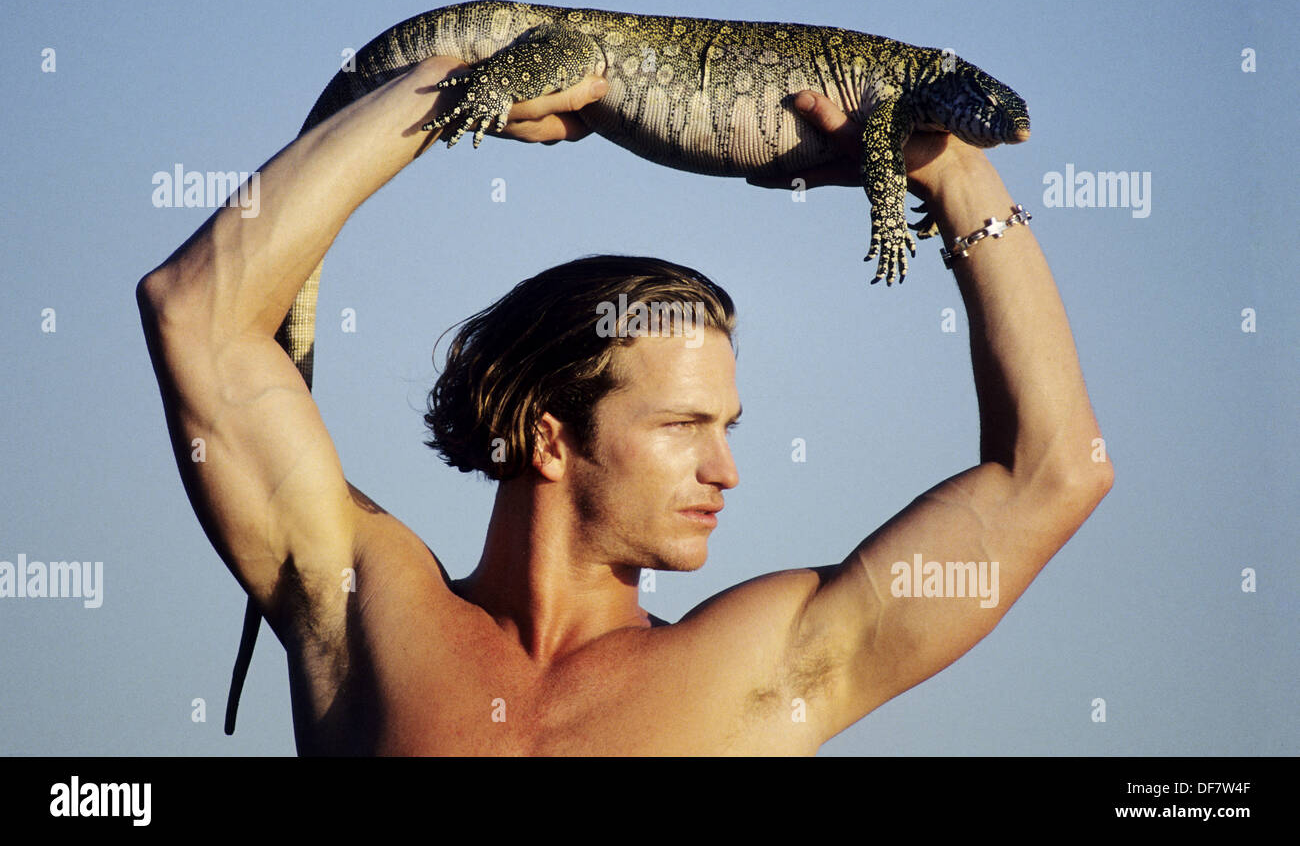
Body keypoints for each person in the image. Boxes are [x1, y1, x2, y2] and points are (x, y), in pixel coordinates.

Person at [137, 55, 1112, 754]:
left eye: (727, 428)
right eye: (683, 426)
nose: (726, 468)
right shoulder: (361, 610)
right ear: (548, 434)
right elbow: (195, 312)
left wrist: (951, 170)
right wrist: (452, 88)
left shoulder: (765, 667)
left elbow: (1053, 470)